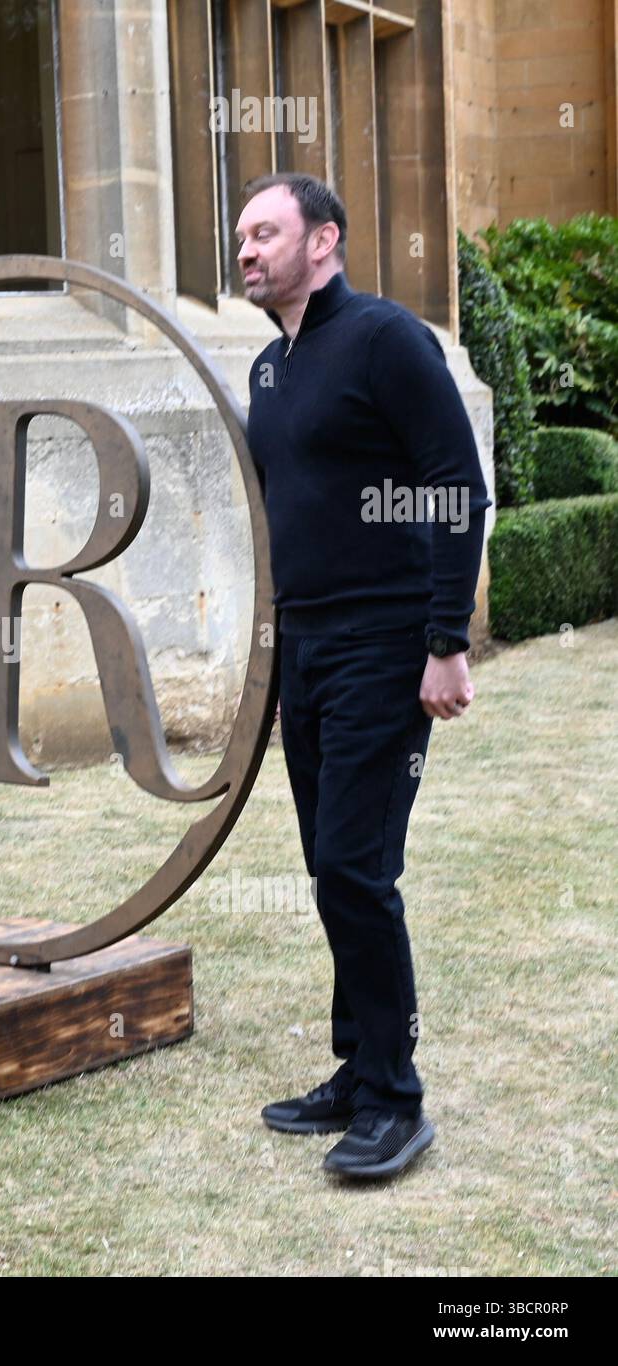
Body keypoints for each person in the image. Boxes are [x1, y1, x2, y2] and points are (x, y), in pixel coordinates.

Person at [237, 173, 490, 1180]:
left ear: (324, 241)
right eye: (242, 236)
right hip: (309, 646)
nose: (247, 250)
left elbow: (453, 485)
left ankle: (394, 1099)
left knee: (356, 866)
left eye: (267, 233)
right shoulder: (267, 369)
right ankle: (356, 1065)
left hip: (387, 645)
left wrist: (444, 639)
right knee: (327, 866)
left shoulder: (386, 340)